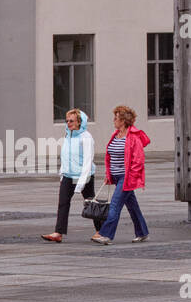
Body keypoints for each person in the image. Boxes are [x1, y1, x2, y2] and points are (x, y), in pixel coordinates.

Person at [91, 105, 150, 245]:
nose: (114, 121)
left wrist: (132, 176)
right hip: (116, 177)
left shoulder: (133, 137)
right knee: (132, 206)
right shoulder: (116, 135)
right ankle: (142, 232)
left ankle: (106, 235)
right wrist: (109, 174)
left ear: (123, 121)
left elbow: (138, 159)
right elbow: (110, 156)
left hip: (126, 178)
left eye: (116, 118)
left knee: (115, 205)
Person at [41, 109, 100, 243]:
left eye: (71, 121)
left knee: (91, 204)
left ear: (79, 122)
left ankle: (100, 230)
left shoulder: (86, 137)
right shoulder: (68, 135)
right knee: (63, 203)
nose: (68, 123)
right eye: (67, 121)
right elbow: (65, 156)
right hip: (68, 175)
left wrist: (81, 183)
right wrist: (62, 173)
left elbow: (87, 161)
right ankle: (58, 232)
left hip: (84, 176)